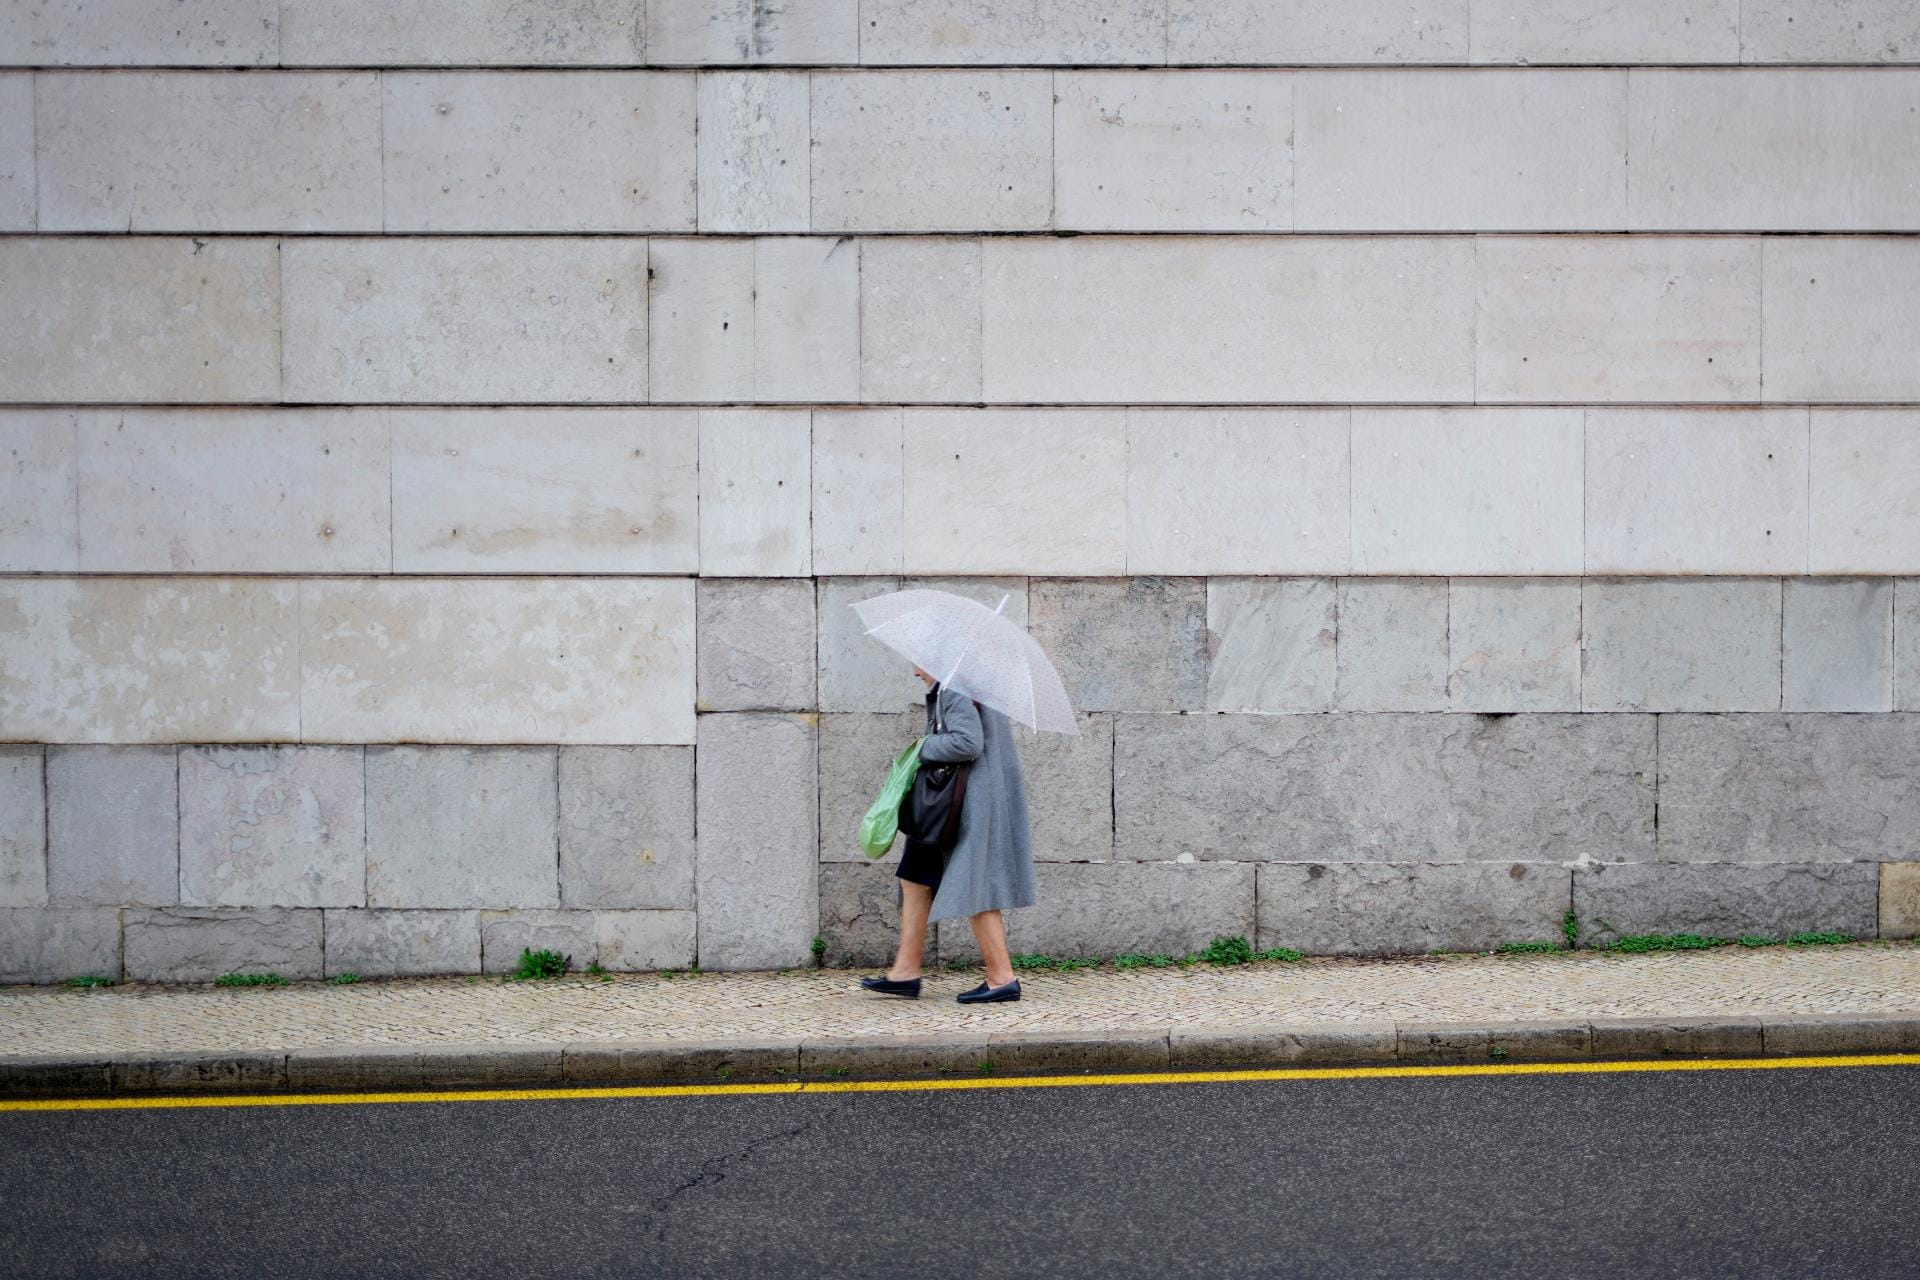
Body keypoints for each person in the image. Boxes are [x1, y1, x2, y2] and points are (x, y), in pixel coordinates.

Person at [860, 665, 1036, 1004]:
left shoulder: (955, 686)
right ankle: (905, 972)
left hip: (963, 805)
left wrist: (923, 746)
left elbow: (968, 742)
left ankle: (1002, 979)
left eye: (918, 662)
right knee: (915, 874)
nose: (915, 671)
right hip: (956, 802)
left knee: (974, 883)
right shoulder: (970, 681)